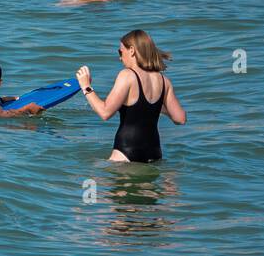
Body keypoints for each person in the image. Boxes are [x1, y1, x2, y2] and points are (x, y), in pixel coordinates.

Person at [75, 29, 186, 163]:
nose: (120, 57)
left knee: (88, 180)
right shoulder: (164, 81)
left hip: (126, 152)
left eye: (120, 51)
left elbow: (105, 112)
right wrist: (154, 107)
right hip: (154, 153)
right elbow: (180, 119)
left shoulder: (127, 75)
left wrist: (86, 86)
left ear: (132, 50)